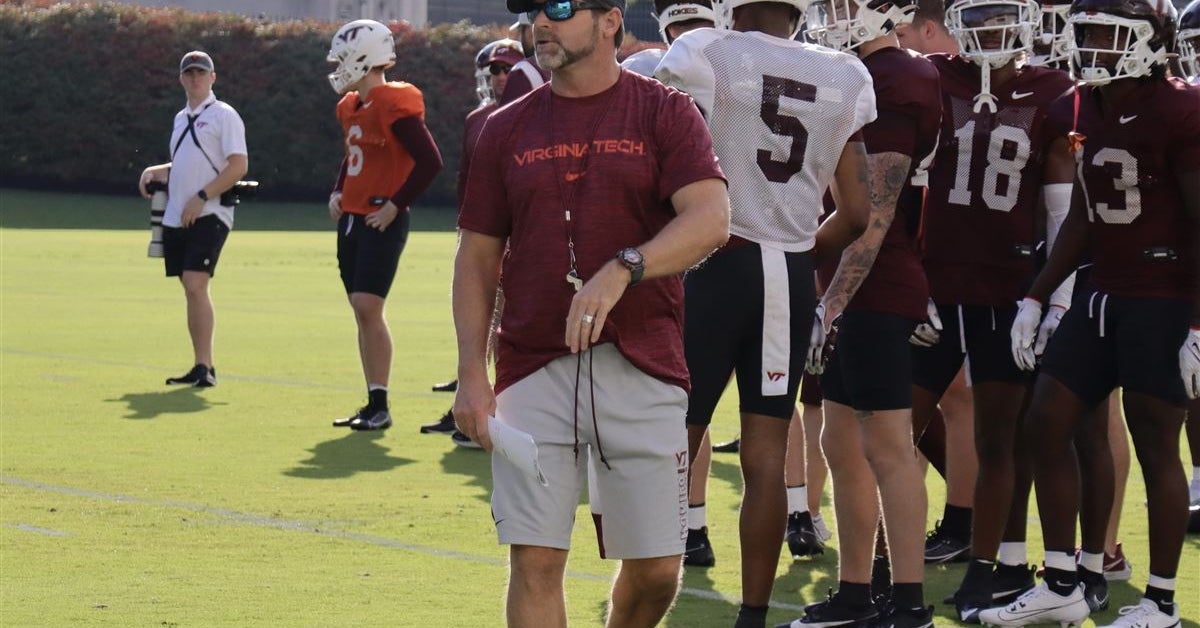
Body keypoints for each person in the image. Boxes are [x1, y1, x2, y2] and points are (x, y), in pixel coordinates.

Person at [452, 0, 730, 625]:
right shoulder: (502, 127)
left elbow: (711, 219)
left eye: (558, 8)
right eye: (532, 13)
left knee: (658, 568)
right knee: (536, 561)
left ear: (610, 20)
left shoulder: (665, 109)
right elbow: (476, 257)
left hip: (644, 359)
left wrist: (623, 266)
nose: (540, 25)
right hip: (531, 364)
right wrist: (472, 369)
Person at [656, 2, 876, 625]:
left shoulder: (705, 51)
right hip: (788, 273)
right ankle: (754, 614)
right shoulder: (846, 74)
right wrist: (799, 253)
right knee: (766, 457)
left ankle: (651, 589)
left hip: (710, 262)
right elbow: (856, 214)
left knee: (679, 441)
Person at [981, 0, 1199, 625]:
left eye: (1106, 35)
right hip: (1101, 290)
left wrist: (1197, 325)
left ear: (1148, 42)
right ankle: (1063, 583)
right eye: (1086, 35)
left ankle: (1159, 599)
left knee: (1157, 443)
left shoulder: (1183, 108)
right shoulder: (1083, 103)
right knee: (1046, 422)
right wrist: (1037, 292)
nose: (1092, 47)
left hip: (1162, 295)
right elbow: (1082, 214)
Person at [777, 0, 941, 626]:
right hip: (845, 286)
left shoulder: (899, 79)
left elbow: (875, 218)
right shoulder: (852, 72)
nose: (834, 12)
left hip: (879, 283)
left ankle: (908, 602)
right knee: (839, 441)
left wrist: (829, 302)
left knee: (887, 446)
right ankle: (853, 592)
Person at [326, 19, 444, 431]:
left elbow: (430, 160)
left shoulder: (396, 101)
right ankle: (375, 401)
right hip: (353, 217)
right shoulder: (351, 106)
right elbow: (353, 155)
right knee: (361, 312)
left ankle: (381, 404)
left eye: (343, 57)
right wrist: (338, 190)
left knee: (367, 306)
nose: (338, 65)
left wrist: (396, 205)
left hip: (381, 218)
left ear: (363, 57)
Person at [423, 38, 525, 439]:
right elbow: (468, 183)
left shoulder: (538, 116)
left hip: (525, 239)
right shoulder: (477, 119)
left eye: (508, 70)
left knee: (509, 327)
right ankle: (471, 402)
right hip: (486, 237)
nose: (501, 78)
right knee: (477, 320)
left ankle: (502, 408)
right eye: (495, 71)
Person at [138, 51, 248, 389]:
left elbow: (238, 165)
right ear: (182, 79)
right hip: (178, 214)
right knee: (190, 287)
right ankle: (201, 365)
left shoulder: (224, 115)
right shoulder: (180, 118)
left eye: (202, 73)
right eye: (190, 74)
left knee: (195, 282)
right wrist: (158, 170)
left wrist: (202, 198)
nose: (196, 78)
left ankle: (206, 368)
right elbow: (187, 161)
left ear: (212, 78)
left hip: (210, 212)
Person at [499, 13, 552, 104]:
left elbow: (510, 116)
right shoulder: (569, 65)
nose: (520, 37)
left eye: (521, 30)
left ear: (530, 30)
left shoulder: (522, 71)